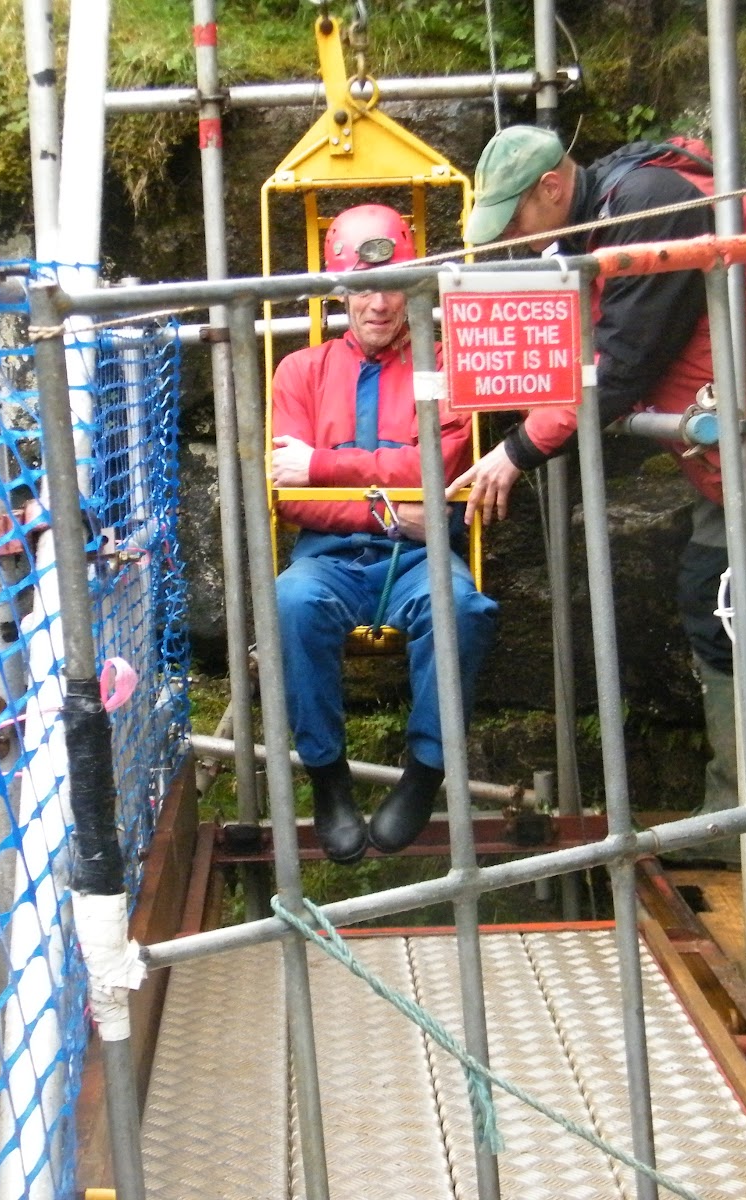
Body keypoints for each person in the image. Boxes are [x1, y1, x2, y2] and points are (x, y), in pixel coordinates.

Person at [451, 126, 746, 924]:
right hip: (732, 443)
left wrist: (517, 450)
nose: (512, 240)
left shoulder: (649, 204)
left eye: (514, 220)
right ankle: (734, 814)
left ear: (551, 187)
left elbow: (621, 364)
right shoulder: (610, 209)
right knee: (711, 606)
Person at [271, 203, 499, 864]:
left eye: (393, 286)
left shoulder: (444, 368)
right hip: (330, 558)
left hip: (420, 558)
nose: (379, 304)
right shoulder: (300, 372)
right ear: (340, 291)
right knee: (291, 603)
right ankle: (329, 779)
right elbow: (291, 498)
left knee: (461, 608)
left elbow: (440, 469)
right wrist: (394, 509)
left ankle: (426, 771)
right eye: (364, 288)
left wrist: (324, 467)